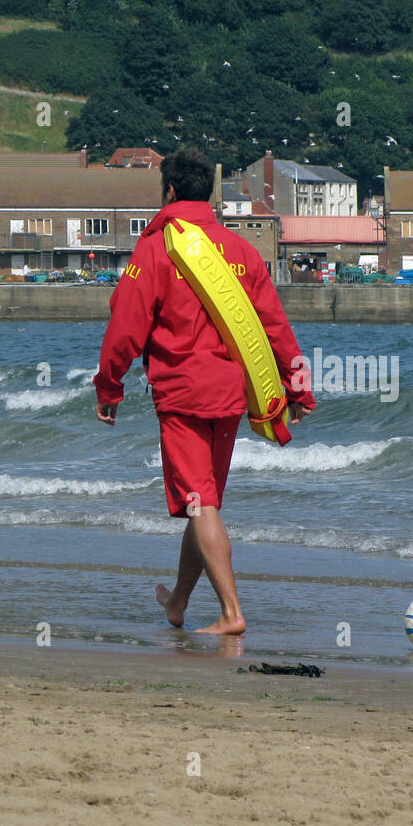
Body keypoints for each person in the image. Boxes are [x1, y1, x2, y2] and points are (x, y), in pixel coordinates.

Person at [94, 149, 314, 635]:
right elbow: (274, 327)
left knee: (201, 503)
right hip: (231, 395)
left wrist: (108, 386)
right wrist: (297, 386)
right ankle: (177, 601)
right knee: (204, 500)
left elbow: (124, 328)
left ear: (169, 192)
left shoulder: (156, 250)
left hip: (183, 394)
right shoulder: (241, 252)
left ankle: (232, 614)